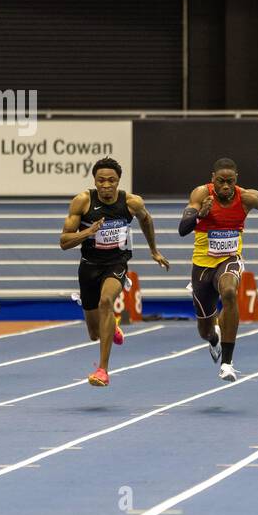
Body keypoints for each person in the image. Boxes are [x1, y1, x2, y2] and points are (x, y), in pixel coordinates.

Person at [178, 157, 258, 381]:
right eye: (221, 182)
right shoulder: (200, 195)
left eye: (230, 181)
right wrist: (200, 216)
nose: (225, 186)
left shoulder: (247, 197)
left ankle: (227, 362)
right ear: (212, 179)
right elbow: (182, 229)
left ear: (236, 180)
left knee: (229, 291)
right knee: (204, 331)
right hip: (202, 266)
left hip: (230, 259)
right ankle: (214, 337)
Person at [60, 157, 169, 387]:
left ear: (119, 180)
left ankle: (102, 370)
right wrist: (88, 232)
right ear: (95, 181)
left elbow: (146, 220)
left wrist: (154, 250)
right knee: (93, 333)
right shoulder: (82, 202)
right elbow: (64, 241)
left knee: (106, 301)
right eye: (101, 180)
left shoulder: (131, 202)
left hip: (116, 263)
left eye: (111, 180)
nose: (106, 185)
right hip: (89, 266)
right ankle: (112, 326)